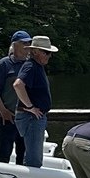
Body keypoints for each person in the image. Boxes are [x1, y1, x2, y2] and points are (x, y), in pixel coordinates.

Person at [11, 34, 57, 168]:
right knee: (33, 159)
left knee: (31, 156)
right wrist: (30, 107)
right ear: (35, 52)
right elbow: (17, 85)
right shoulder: (31, 66)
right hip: (31, 117)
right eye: (46, 52)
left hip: (33, 117)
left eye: (50, 53)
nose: (49, 56)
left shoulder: (36, 66)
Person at [0, 30, 31, 163]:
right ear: (15, 45)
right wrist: (3, 111)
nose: (27, 45)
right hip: (7, 118)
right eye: (24, 43)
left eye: (29, 42)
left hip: (25, 119)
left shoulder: (31, 65)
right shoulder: (4, 64)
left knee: (23, 157)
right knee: (4, 154)